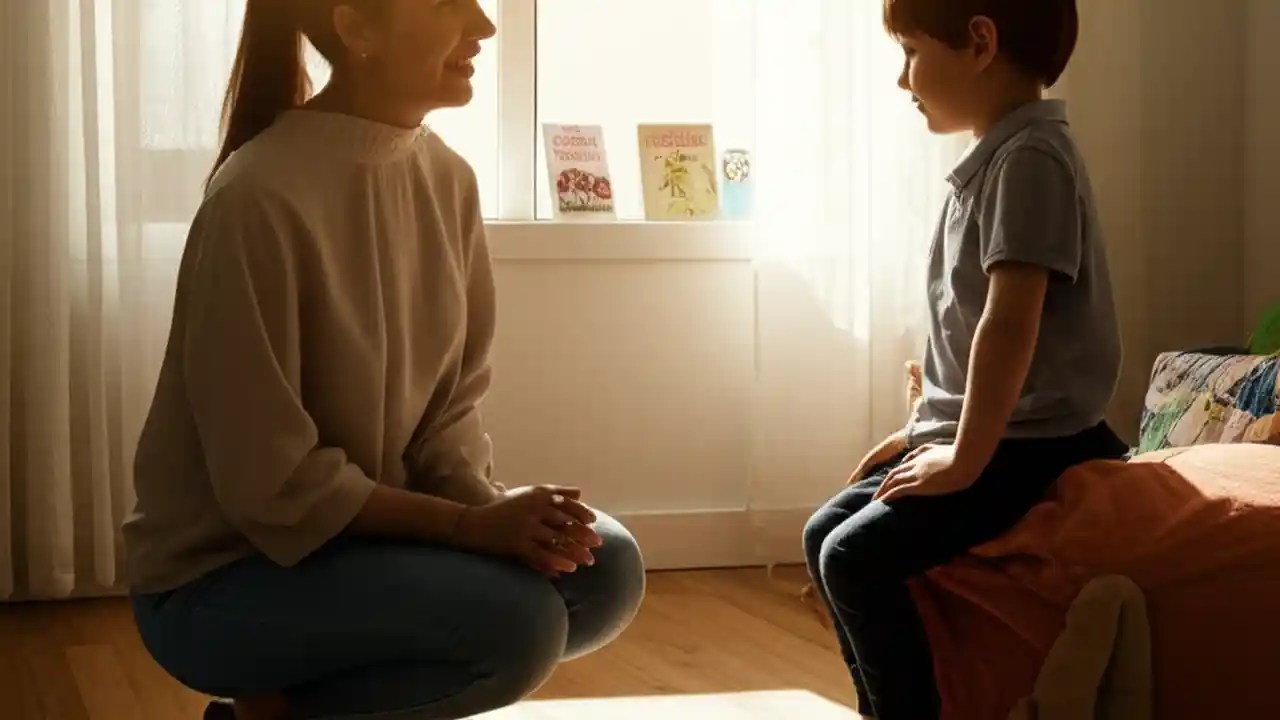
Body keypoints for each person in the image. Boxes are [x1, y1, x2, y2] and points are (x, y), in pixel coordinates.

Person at [122, 1, 645, 718]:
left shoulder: (447, 179)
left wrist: (496, 514)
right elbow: (269, 481)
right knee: (517, 625)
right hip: (223, 579)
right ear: (357, 27)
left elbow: (448, 416)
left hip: (359, 549)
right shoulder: (256, 197)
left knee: (604, 570)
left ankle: (276, 707)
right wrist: (468, 532)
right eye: (446, 2)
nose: (484, 26)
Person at [802, 1, 1128, 718]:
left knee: (854, 559)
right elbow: (969, 328)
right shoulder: (998, 161)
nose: (901, 79)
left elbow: (1009, 328)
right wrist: (927, 428)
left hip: (1035, 444)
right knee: (823, 533)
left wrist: (963, 458)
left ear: (979, 42)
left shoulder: (1032, 161)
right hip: (989, 433)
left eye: (911, 52)